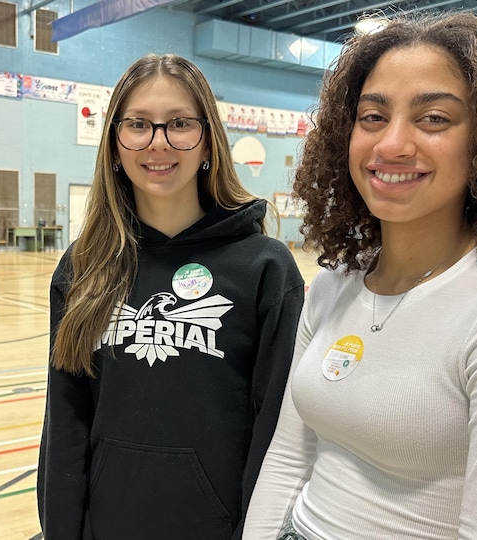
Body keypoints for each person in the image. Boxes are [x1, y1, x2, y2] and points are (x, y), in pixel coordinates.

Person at [244, 12, 477, 540]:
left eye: (433, 119)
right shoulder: (334, 285)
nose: (392, 144)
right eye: (373, 116)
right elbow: (290, 456)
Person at [37, 53, 305, 540]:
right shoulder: (84, 267)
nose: (158, 142)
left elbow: (276, 435)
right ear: (115, 145)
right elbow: (65, 425)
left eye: (179, 124)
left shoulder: (264, 268)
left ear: (208, 143)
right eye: (138, 124)